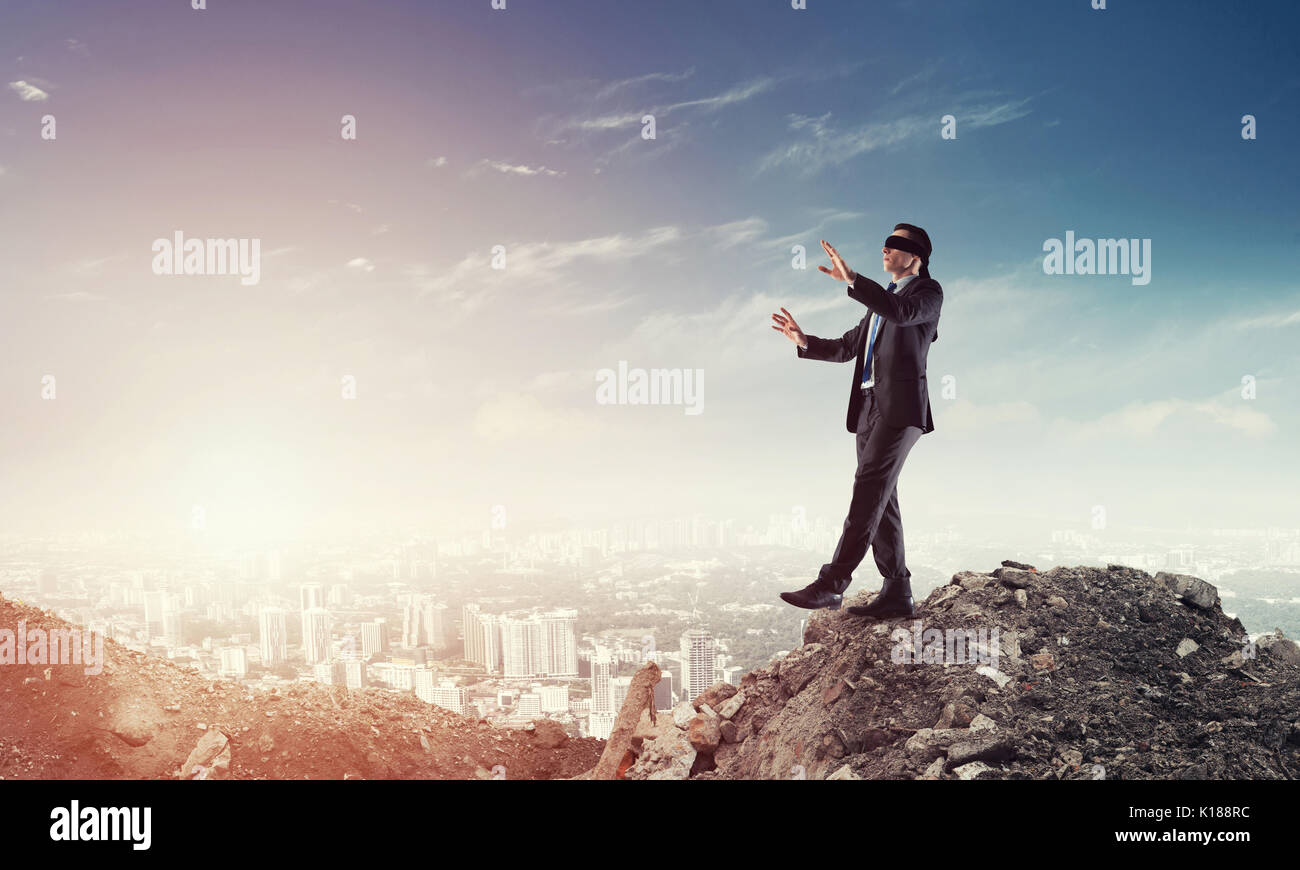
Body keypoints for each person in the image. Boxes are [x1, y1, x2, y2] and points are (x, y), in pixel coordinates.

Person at [770, 224, 942, 619]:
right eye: (884, 241)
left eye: (895, 244)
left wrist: (851, 279)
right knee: (883, 499)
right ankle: (897, 591)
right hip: (867, 410)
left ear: (915, 256)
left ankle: (832, 584)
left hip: (899, 410)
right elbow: (848, 347)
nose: (884, 248)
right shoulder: (878, 306)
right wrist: (805, 341)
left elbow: (900, 313)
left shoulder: (926, 294)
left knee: (867, 489)